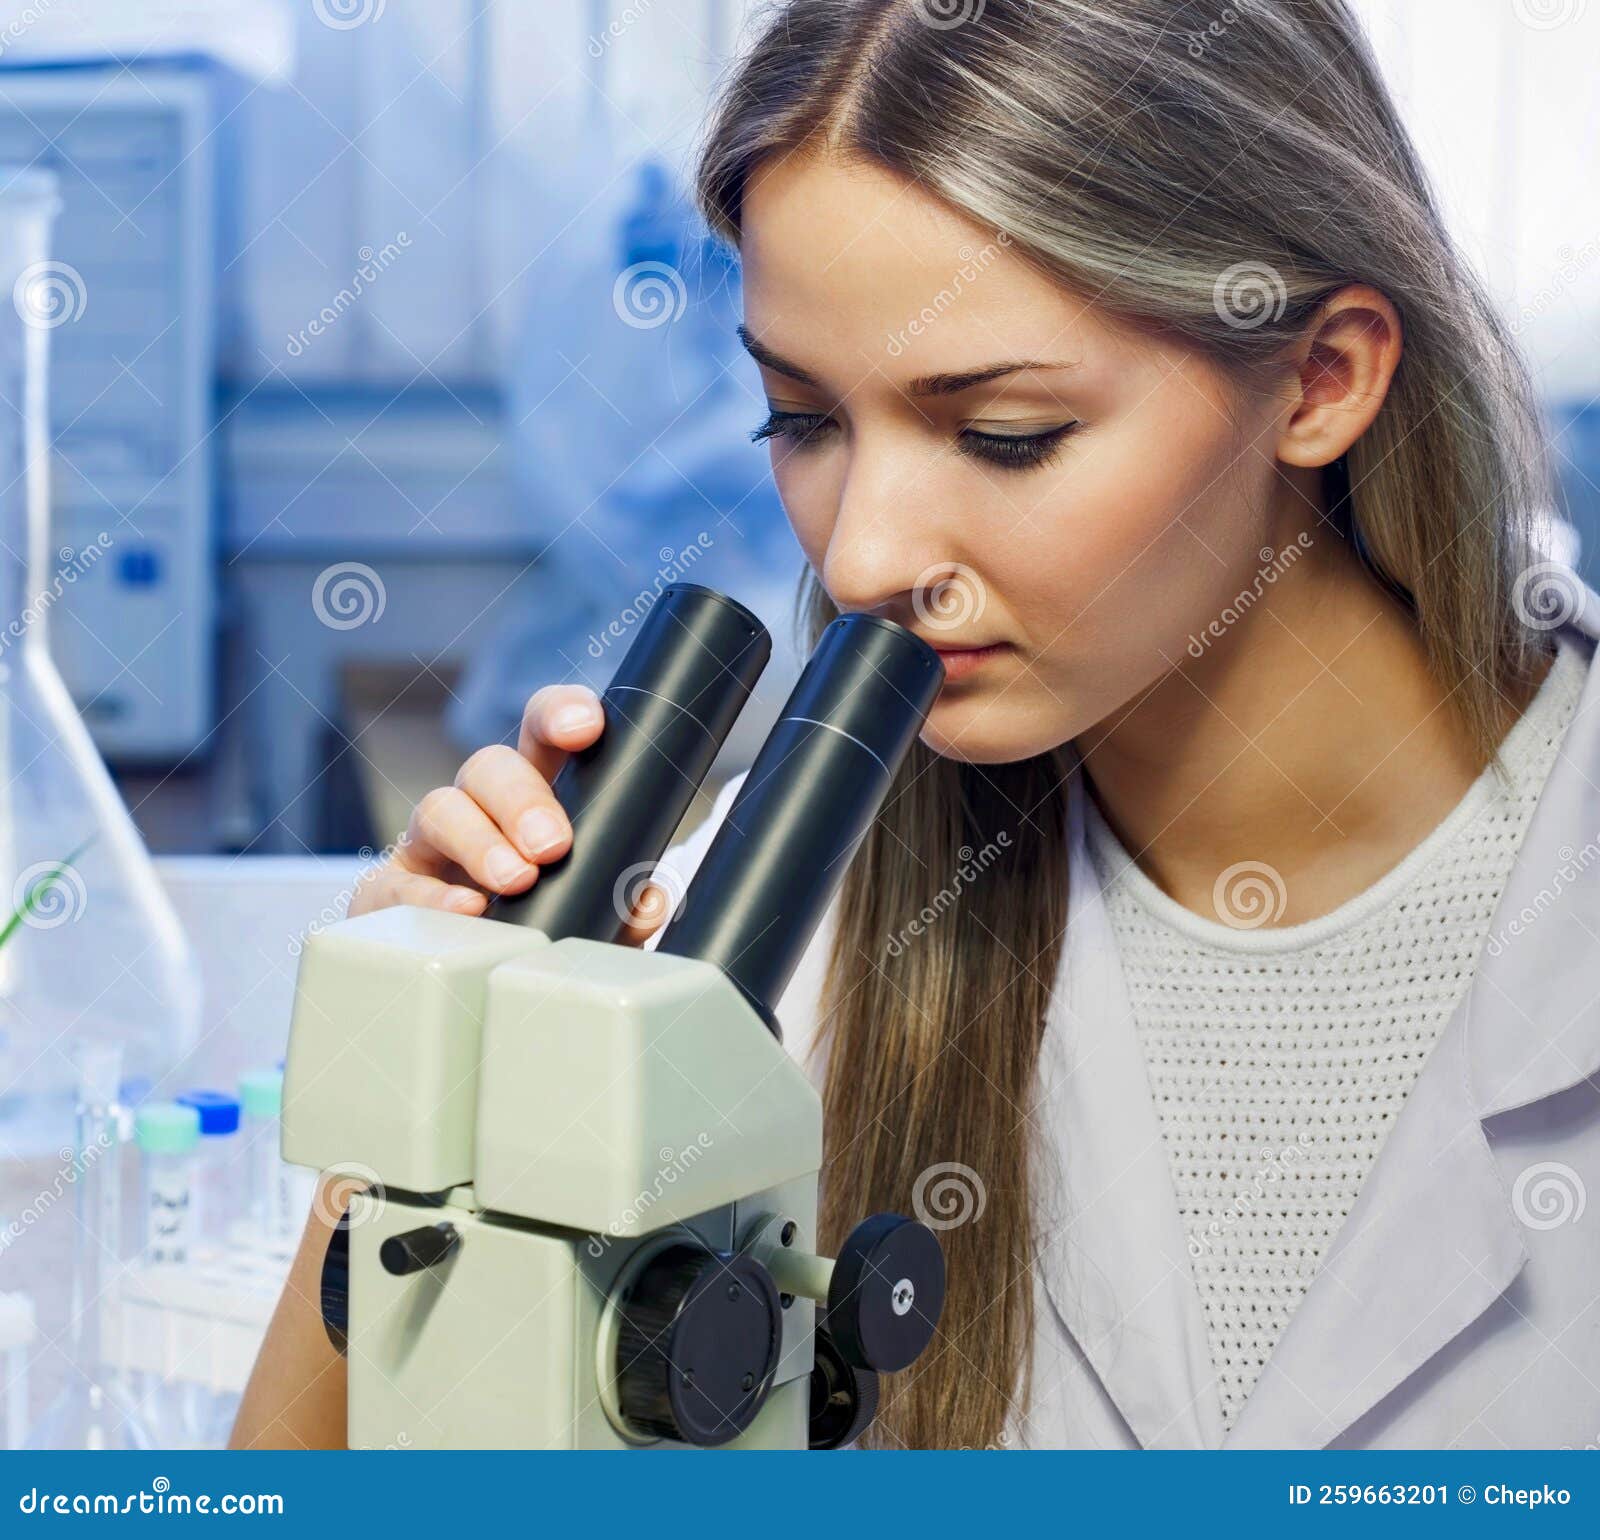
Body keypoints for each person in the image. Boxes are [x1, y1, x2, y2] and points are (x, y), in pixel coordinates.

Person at [233, 0, 1600, 1451]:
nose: (865, 555)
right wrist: (428, 1121)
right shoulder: (736, 943)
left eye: (1005, 434)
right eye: (803, 421)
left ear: (1321, 378)